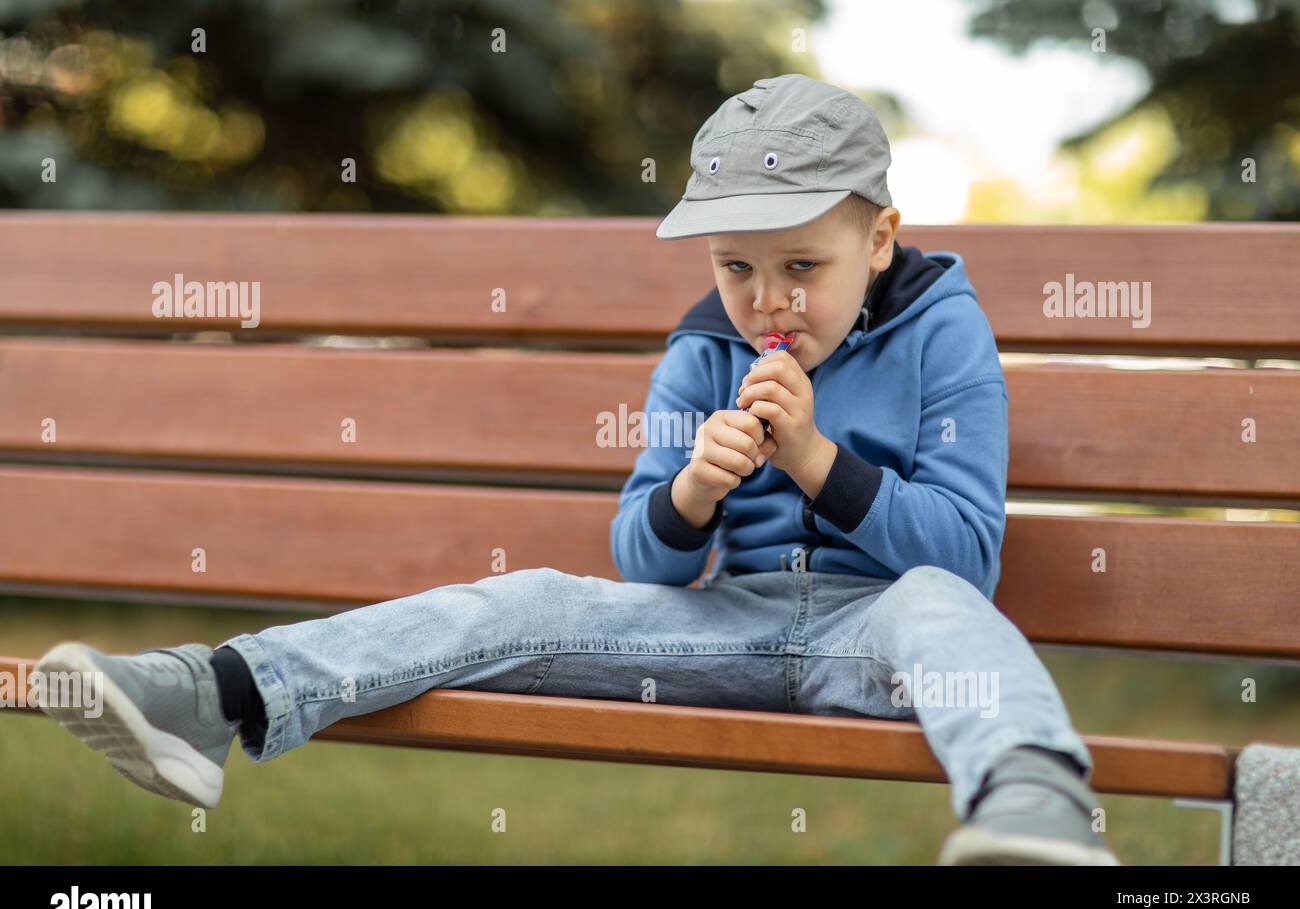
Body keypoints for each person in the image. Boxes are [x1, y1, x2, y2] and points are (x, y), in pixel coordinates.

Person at [34, 73, 1118, 865]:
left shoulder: (941, 329)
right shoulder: (705, 345)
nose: (767, 301)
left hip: (878, 626)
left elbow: (966, 560)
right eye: (736, 267)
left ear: (879, 238)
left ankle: (1033, 810)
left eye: (801, 266)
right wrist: (695, 489)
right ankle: (211, 695)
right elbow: (638, 553)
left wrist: (817, 458)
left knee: (933, 599)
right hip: (728, 623)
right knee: (533, 594)